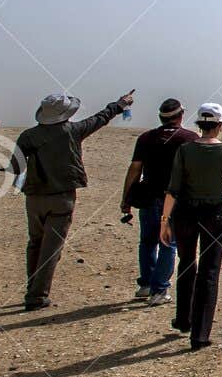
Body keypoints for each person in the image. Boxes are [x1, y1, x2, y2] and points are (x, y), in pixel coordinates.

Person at [12, 89, 135, 310]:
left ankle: (33, 288)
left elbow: (15, 166)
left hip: (34, 197)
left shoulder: (28, 136)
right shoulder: (73, 130)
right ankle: (37, 296)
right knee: (51, 248)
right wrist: (120, 104)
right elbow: (100, 118)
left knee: (35, 242)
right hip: (62, 197)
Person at [160, 103, 222, 351]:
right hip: (215, 216)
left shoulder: (185, 150)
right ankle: (200, 334)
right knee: (209, 272)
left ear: (199, 125)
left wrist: (164, 221)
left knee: (186, 264)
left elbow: (173, 189)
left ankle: (183, 319)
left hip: (185, 214)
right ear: (219, 126)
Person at [120, 98, 197, 306]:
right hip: (174, 198)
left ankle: (146, 283)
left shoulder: (146, 138)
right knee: (168, 243)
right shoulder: (189, 138)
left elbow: (135, 169)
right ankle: (159, 289)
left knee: (147, 241)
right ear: (181, 115)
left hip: (147, 195)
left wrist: (125, 197)